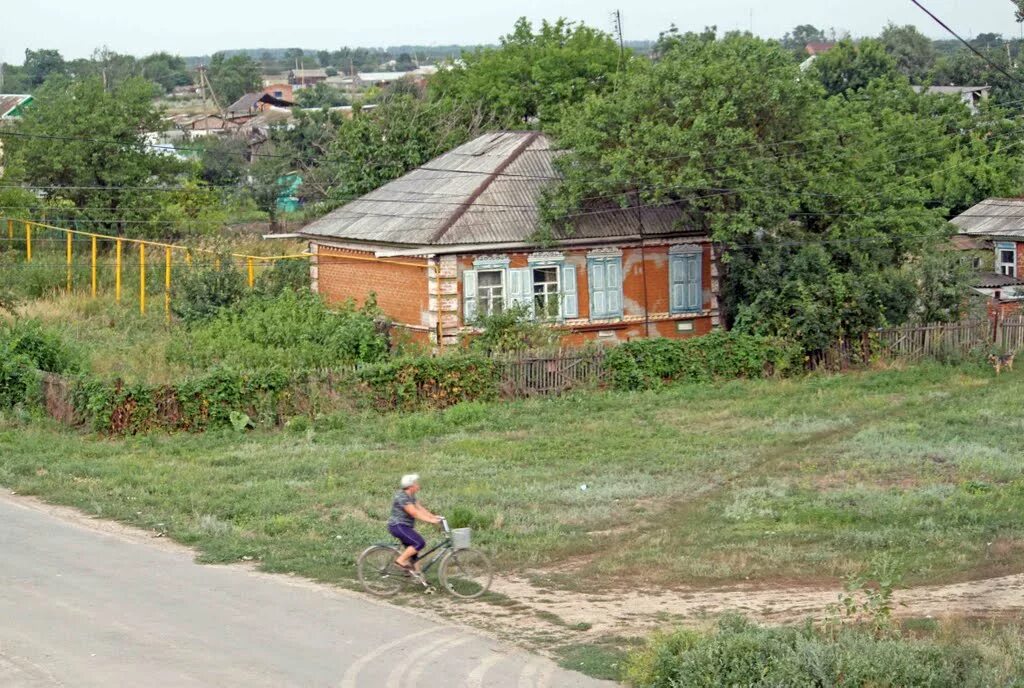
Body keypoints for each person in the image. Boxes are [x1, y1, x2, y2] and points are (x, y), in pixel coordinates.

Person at [387, 474, 442, 573]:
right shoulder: (402, 496)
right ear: (411, 486)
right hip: (398, 526)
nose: (418, 484)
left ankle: (418, 577)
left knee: (414, 554)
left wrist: (433, 517)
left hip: (404, 527)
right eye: (416, 483)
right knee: (419, 543)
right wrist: (430, 521)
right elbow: (414, 512)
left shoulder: (410, 496)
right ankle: (400, 561)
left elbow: (420, 508)